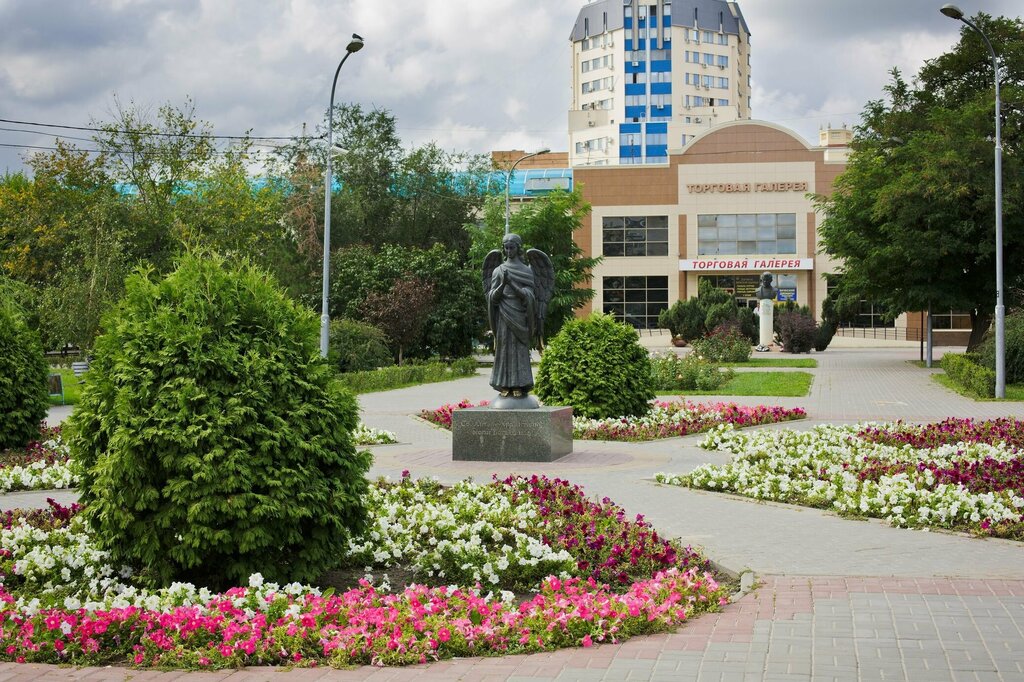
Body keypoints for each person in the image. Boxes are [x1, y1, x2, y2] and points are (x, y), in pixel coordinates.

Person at [486, 234, 538, 398]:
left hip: (519, 317)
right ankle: (505, 385)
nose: (509, 251)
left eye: (512, 247)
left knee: (519, 350)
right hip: (503, 316)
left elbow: (529, 296)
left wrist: (511, 283)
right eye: (506, 248)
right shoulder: (498, 271)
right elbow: (492, 298)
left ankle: (519, 384)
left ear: (518, 248)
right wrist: (502, 284)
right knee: (504, 350)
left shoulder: (526, 270)